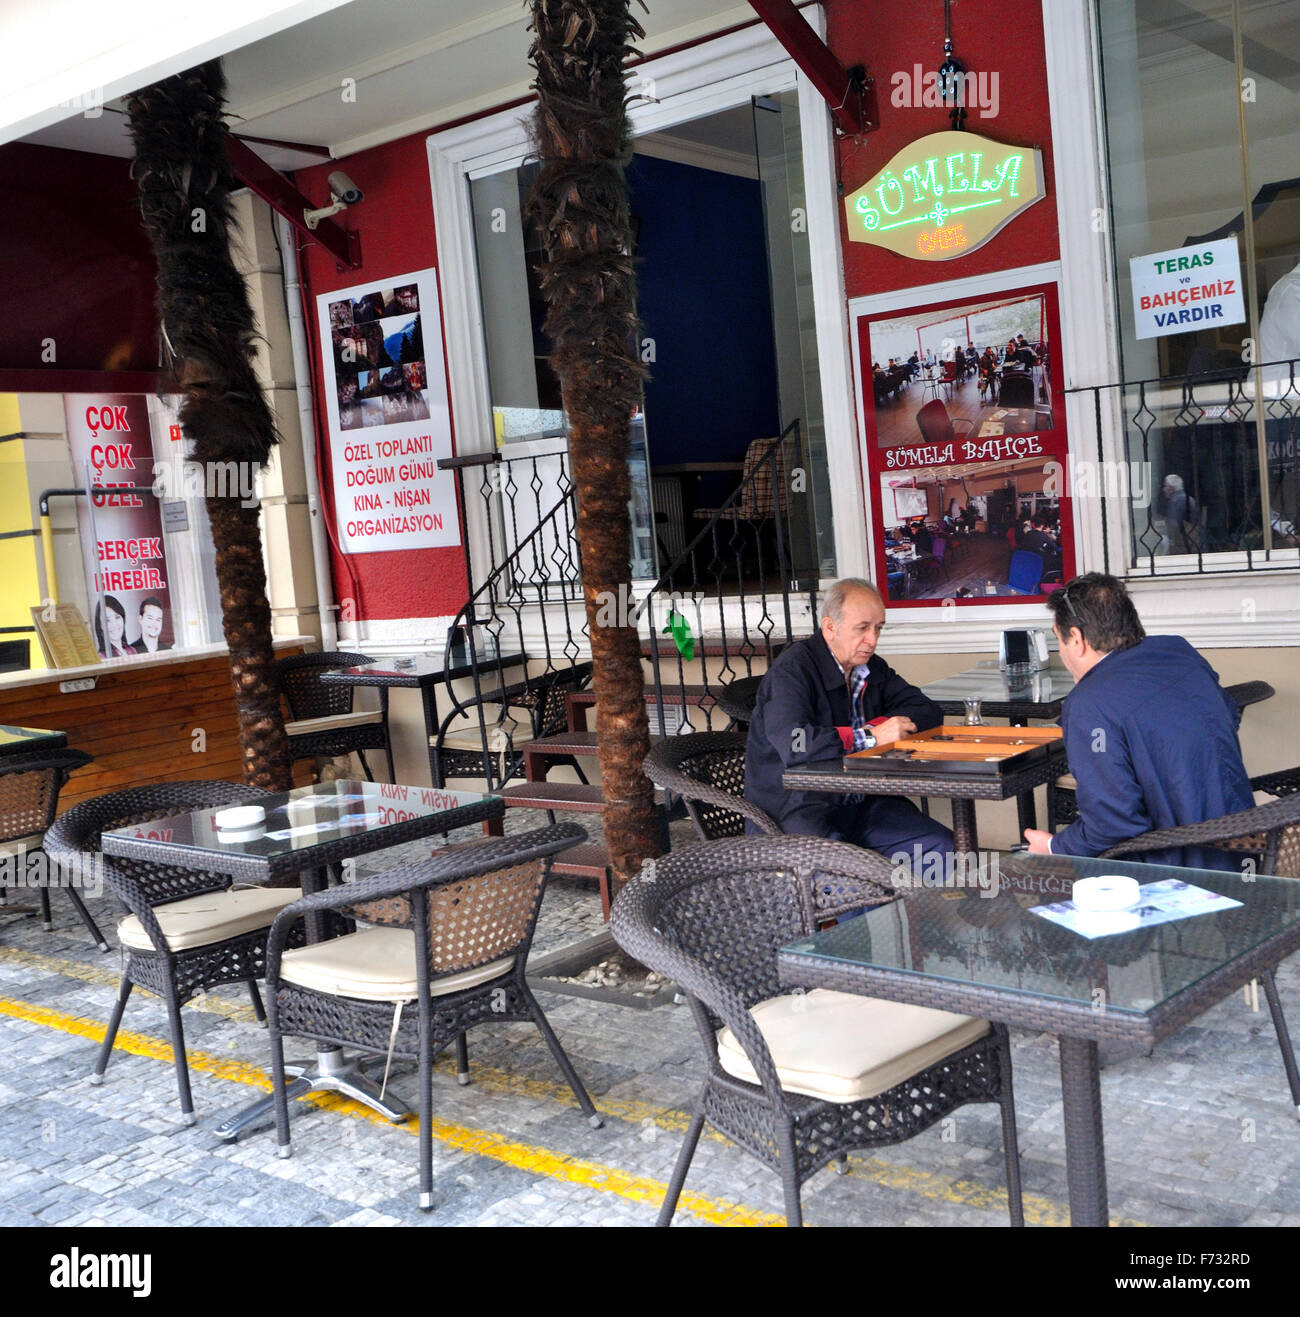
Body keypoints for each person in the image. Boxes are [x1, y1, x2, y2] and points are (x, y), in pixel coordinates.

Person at [1024, 574, 1252, 869]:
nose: (1062, 652)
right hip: (1243, 845)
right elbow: (1227, 717)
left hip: (1174, 872)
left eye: (1059, 640)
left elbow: (1113, 823)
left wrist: (1054, 846)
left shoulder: (1089, 703)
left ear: (1077, 639)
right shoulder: (1179, 652)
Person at [744, 578, 954, 869]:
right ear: (830, 627)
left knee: (942, 848)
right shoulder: (793, 671)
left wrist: (883, 728)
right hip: (797, 809)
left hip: (861, 802)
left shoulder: (871, 667)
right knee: (858, 879)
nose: (873, 639)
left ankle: (919, 916)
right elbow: (795, 743)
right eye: (863, 628)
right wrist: (870, 737)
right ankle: (870, 915)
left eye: (878, 628)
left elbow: (927, 710)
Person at [1156, 473, 1198, 553]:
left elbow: (1173, 525)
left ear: (1171, 488)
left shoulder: (1175, 501)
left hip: (1182, 541)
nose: (1163, 489)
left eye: (1165, 486)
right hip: (1192, 539)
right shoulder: (1188, 498)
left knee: (1159, 540)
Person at [94, 594, 131, 659]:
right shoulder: (101, 657)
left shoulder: (131, 650)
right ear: (100, 625)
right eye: (107, 620)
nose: (114, 624)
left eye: (117, 617)